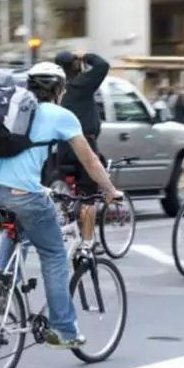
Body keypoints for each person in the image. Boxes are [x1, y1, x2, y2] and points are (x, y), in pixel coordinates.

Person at [0, 61, 122, 349]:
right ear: (59, 89)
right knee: (55, 254)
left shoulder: (12, 109)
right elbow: (89, 159)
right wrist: (108, 189)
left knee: (17, 224)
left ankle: (1, 282)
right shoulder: (61, 115)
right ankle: (64, 330)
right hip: (22, 193)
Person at [53, 51, 111, 249]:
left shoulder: (57, 89)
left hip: (62, 148)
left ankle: (67, 226)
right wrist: (86, 55)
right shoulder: (81, 84)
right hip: (83, 144)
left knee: (68, 193)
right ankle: (87, 242)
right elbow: (103, 65)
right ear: (75, 65)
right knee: (88, 196)